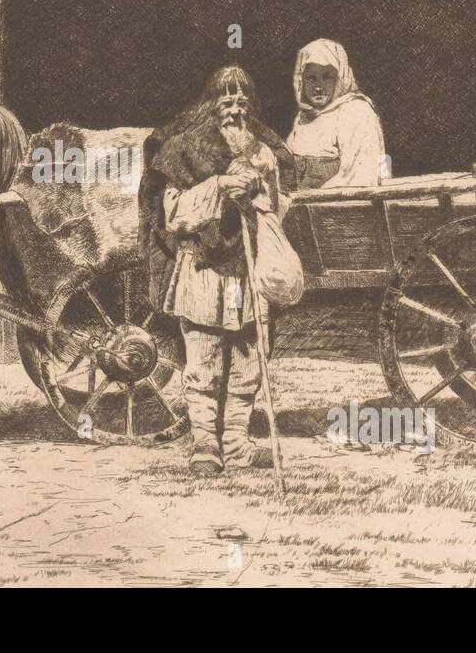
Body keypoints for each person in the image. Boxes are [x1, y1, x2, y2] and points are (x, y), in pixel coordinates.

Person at [139, 66, 296, 476]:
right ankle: (205, 446)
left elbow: (280, 207)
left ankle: (237, 445)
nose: (235, 109)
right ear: (211, 105)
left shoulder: (263, 150)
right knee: (203, 361)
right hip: (203, 270)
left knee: (246, 360)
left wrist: (258, 193)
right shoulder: (182, 149)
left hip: (247, 269)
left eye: (243, 101)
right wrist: (219, 187)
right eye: (226, 101)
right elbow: (172, 214)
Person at [287, 39, 386, 189]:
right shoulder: (304, 116)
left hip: (342, 207)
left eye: (327, 77)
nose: (318, 87)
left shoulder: (356, 111)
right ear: (301, 80)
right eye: (311, 78)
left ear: (340, 78)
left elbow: (358, 177)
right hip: (302, 207)